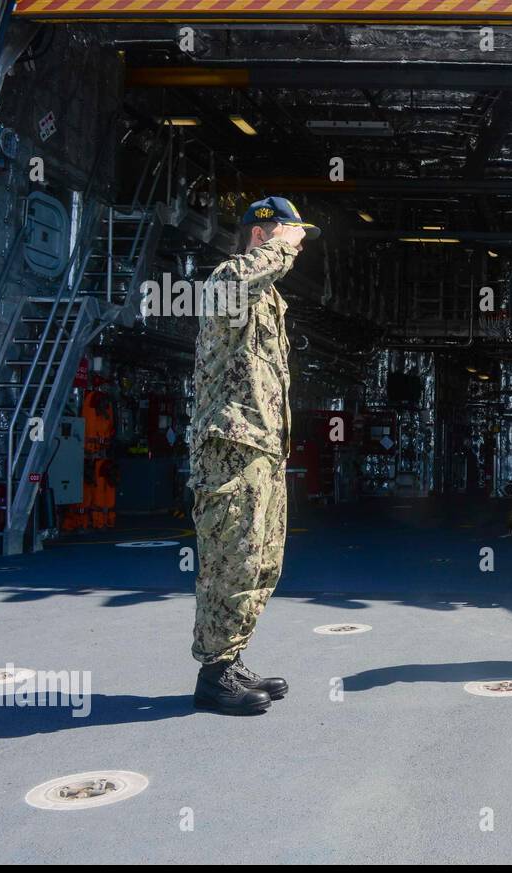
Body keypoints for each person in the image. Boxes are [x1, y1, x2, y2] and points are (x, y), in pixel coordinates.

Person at [189, 197, 320, 714]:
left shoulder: (268, 300)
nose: (300, 244)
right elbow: (232, 283)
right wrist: (279, 250)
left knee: (262, 562)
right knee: (232, 561)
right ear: (263, 235)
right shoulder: (229, 281)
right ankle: (214, 675)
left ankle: (231, 659)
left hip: (262, 452)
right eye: (293, 234)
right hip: (231, 451)